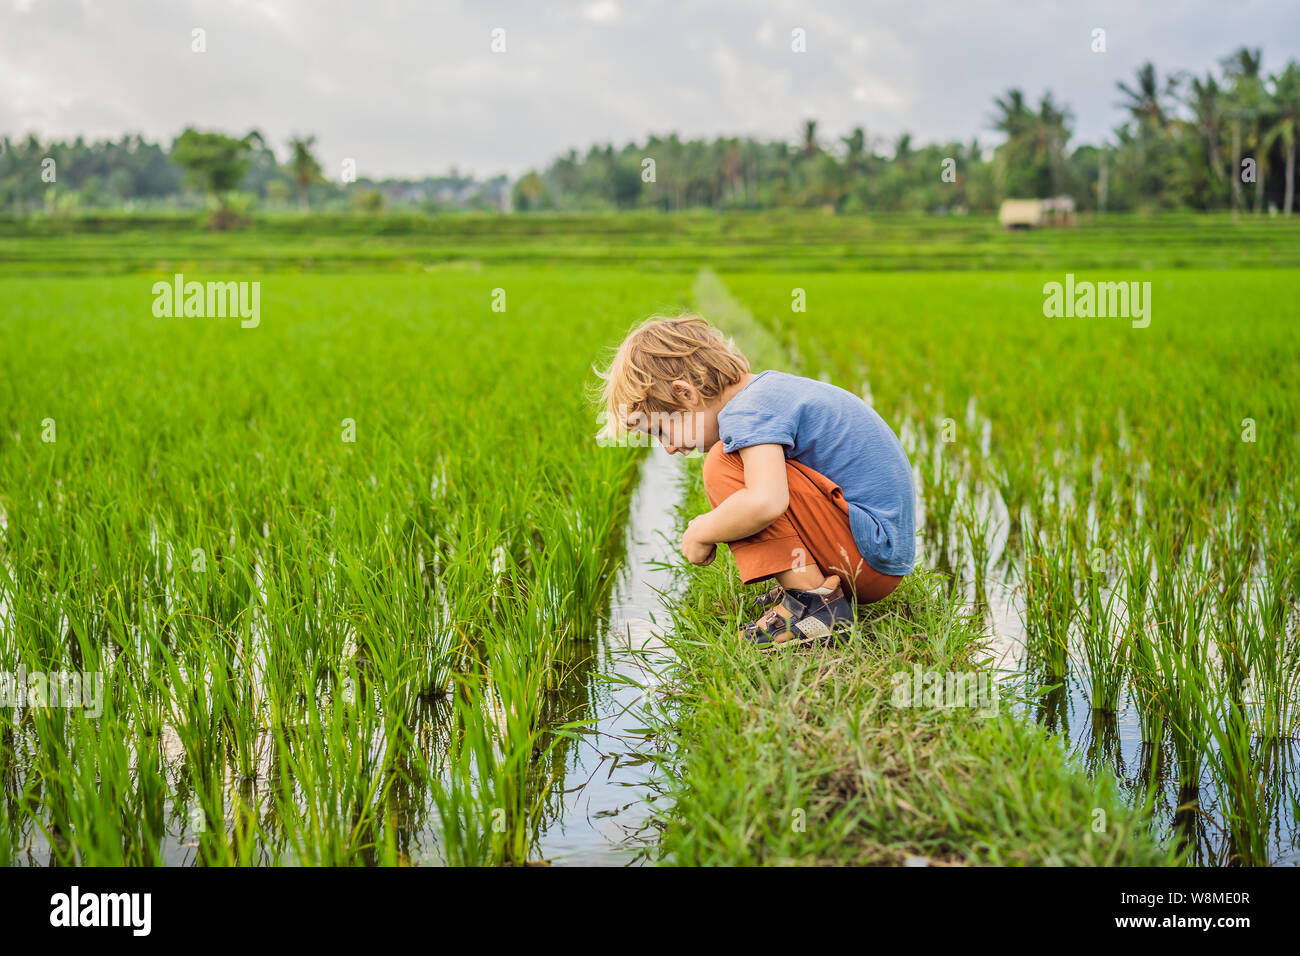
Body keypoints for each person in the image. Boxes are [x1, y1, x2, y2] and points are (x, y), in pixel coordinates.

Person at [597, 314, 916, 648]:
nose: (670, 447)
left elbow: (766, 501)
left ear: (685, 393)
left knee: (722, 463)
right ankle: (808, 587)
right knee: (736, 463)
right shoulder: (767, 392)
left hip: (868, 559)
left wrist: (701, 530)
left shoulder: (748, 411)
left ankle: (815, 606)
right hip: (876, 554)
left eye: (662, 429)